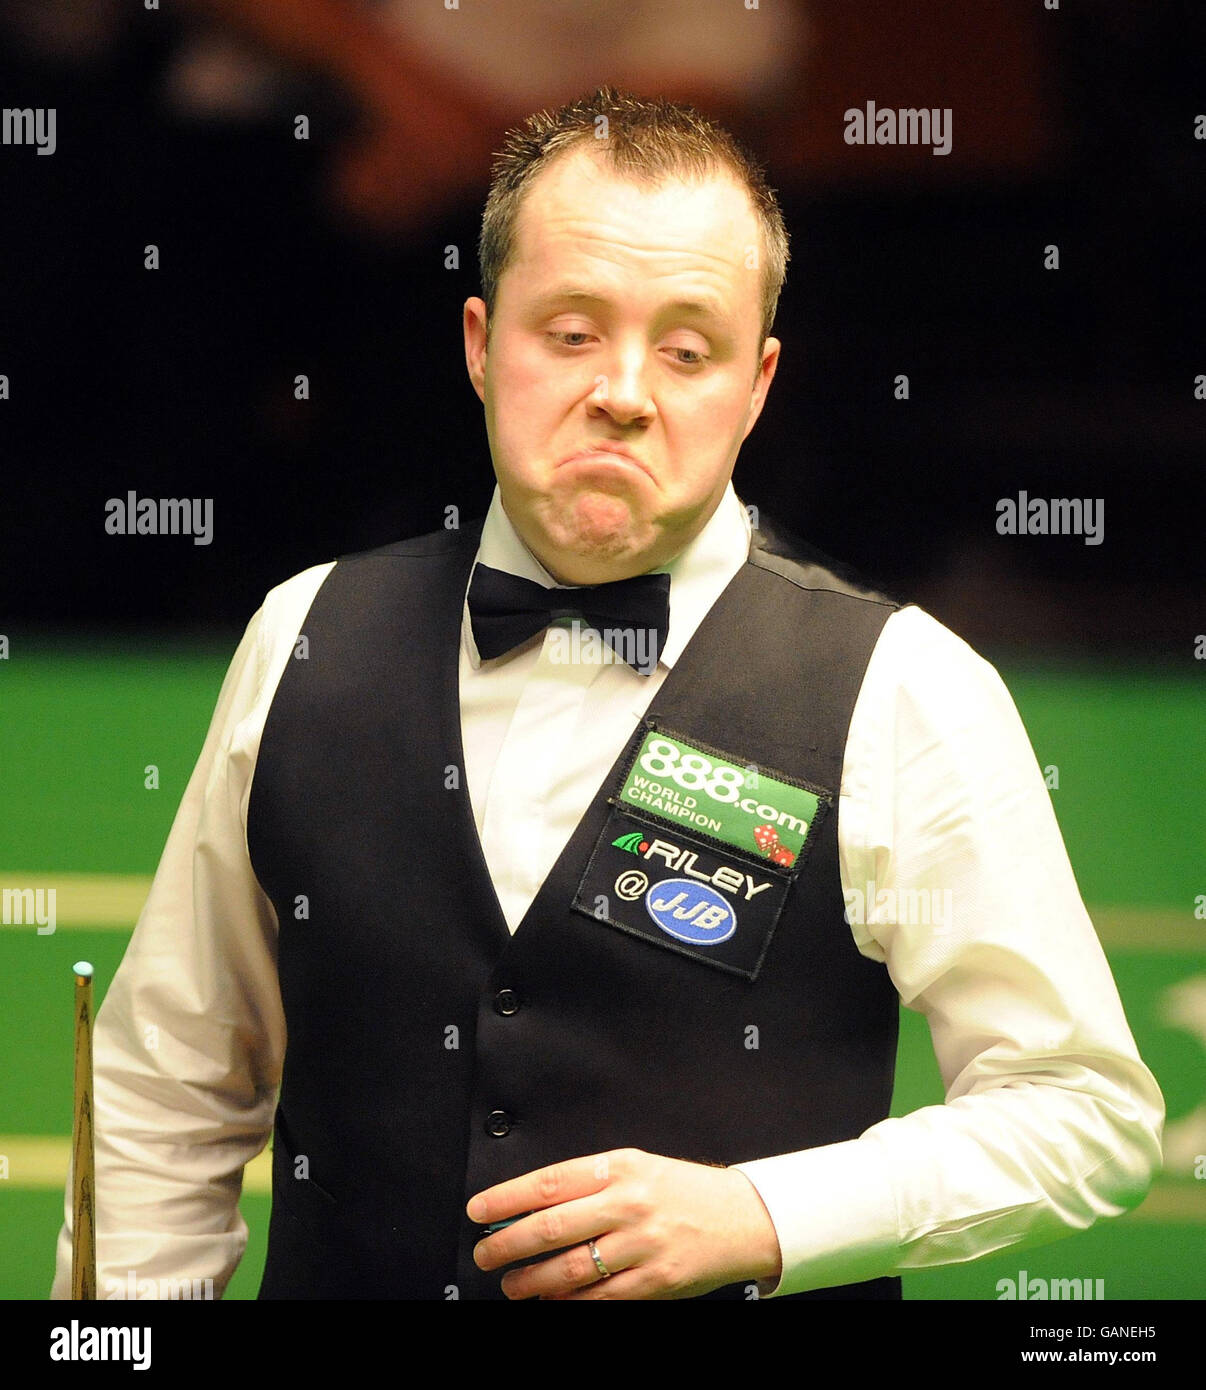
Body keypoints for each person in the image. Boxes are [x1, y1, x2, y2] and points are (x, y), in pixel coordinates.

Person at [52, 86, 1162, 1302]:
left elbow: (1084, 1111)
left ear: (758, 384)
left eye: (688, 349)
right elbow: (167, 1091)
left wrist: (767, 1212)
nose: (626, 390)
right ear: (480, 343)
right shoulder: (303, 634)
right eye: (571, 331)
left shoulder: (906, 689)